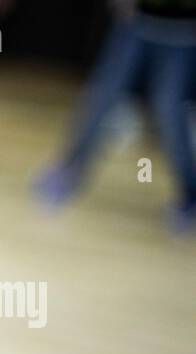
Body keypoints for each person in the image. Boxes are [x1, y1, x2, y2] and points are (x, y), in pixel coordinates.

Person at [35, 0, 196, 231]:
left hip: (183, 33)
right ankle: (68, 171)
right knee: (103, 96)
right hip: (136, 23)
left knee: (169, 109)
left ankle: (191, 195)